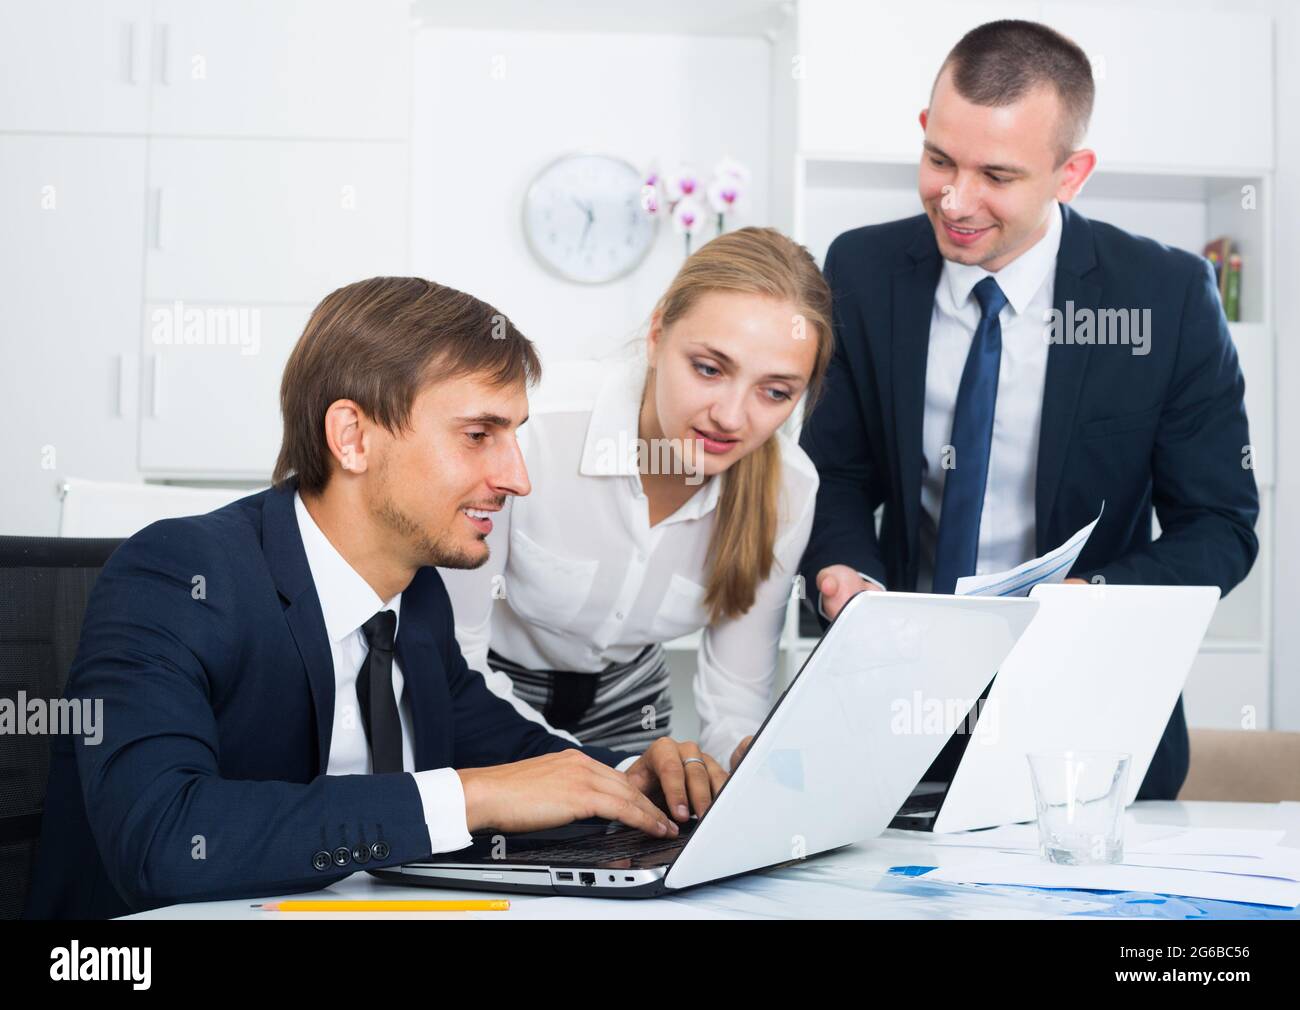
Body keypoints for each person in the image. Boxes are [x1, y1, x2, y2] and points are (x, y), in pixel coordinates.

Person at [24, 277, 724, 919]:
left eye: (515, 438)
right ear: (353, 438)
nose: (517, 478)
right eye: (479, 435)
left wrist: (637, 778)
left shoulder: (416, 599)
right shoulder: (179, 576)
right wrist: (471, 797)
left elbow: (524, 761)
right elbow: (164, 838)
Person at [797, 20, 1259, 800]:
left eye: (996, 175)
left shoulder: (1167, 295)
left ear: (1070, 173)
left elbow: (1218, 527)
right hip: (893, 704)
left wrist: (1094, 603)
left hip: (1090, 707)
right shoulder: (863, 267)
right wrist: (844, 570)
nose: (955, 199)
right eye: (939, 158)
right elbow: (837, 474)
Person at [440, 227, 832, 773]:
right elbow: (456, 660)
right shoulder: (534, 432)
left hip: (632, 706)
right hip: (488, 691)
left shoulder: (789, 490)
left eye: (775, 392)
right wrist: (606, 773)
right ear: (656, 334)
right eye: (709, 368)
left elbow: (736, 699)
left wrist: (751, 767)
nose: (731, 416)